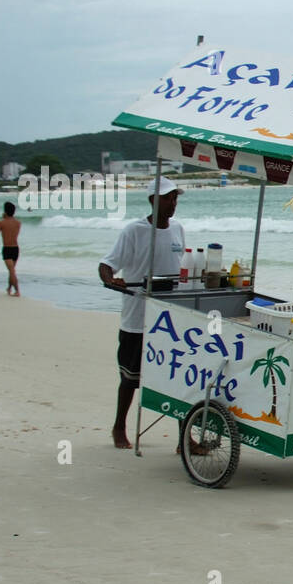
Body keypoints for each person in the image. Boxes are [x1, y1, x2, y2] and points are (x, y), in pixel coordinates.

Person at [98, 178, 186, 449]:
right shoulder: (134, 231)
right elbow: (107, 264)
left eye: (175, 198)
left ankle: (185, 438)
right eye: (168, 198)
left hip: (169, 319)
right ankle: (119, 427)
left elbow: (180, 268)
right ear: (153, 200)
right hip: (137, 319)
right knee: (130, 378)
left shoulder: (179, 230)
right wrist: (111, 279)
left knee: (180, 379)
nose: (173, 203)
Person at [0, 202, 21, 296]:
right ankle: (9, 288)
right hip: (16, 249)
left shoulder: (1, 223)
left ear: (5, 211)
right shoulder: (18, 223)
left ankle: (17, 291)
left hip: (7, 249)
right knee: (12, 270)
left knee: (12, 271)